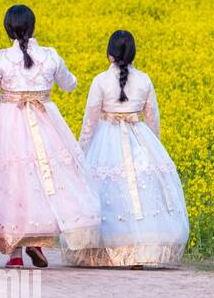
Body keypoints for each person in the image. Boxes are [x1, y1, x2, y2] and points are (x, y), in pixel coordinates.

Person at [0, 4, 101, 267]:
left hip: (9, 121)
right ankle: (36, 242)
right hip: (46, 121)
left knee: (11, 181)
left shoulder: (1, 58)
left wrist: (4, 101)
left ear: (7, 29)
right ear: (33, 27)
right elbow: (69, 85)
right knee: (45, 178)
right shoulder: (50, 55)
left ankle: (15, 256)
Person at [72, 31, 189, 268]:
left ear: (109, 55)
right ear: (133, 54)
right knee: (140, 194)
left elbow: (89, 123)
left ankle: (105, 252)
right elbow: (153, 117)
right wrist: (152, 147)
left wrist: (80, 153)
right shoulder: (144, 80)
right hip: (139, 138)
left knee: (109, 193)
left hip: (106, 139)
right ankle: (139, 251)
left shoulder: (100, 81)